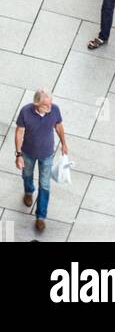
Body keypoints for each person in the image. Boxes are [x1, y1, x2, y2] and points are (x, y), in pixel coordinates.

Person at [15, 90, 68, 233]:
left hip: (47, 154)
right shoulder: (25, 112)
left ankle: (41, 216)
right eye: (46, 104)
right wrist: (18, 155)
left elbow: (58, 125)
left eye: (50, 103)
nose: (50, 107)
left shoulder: (54, 109)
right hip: (28, 153)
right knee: (27, 175)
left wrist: (64, 143)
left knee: (45, 184)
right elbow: (19, 132)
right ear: (37, 104)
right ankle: (28, 191)